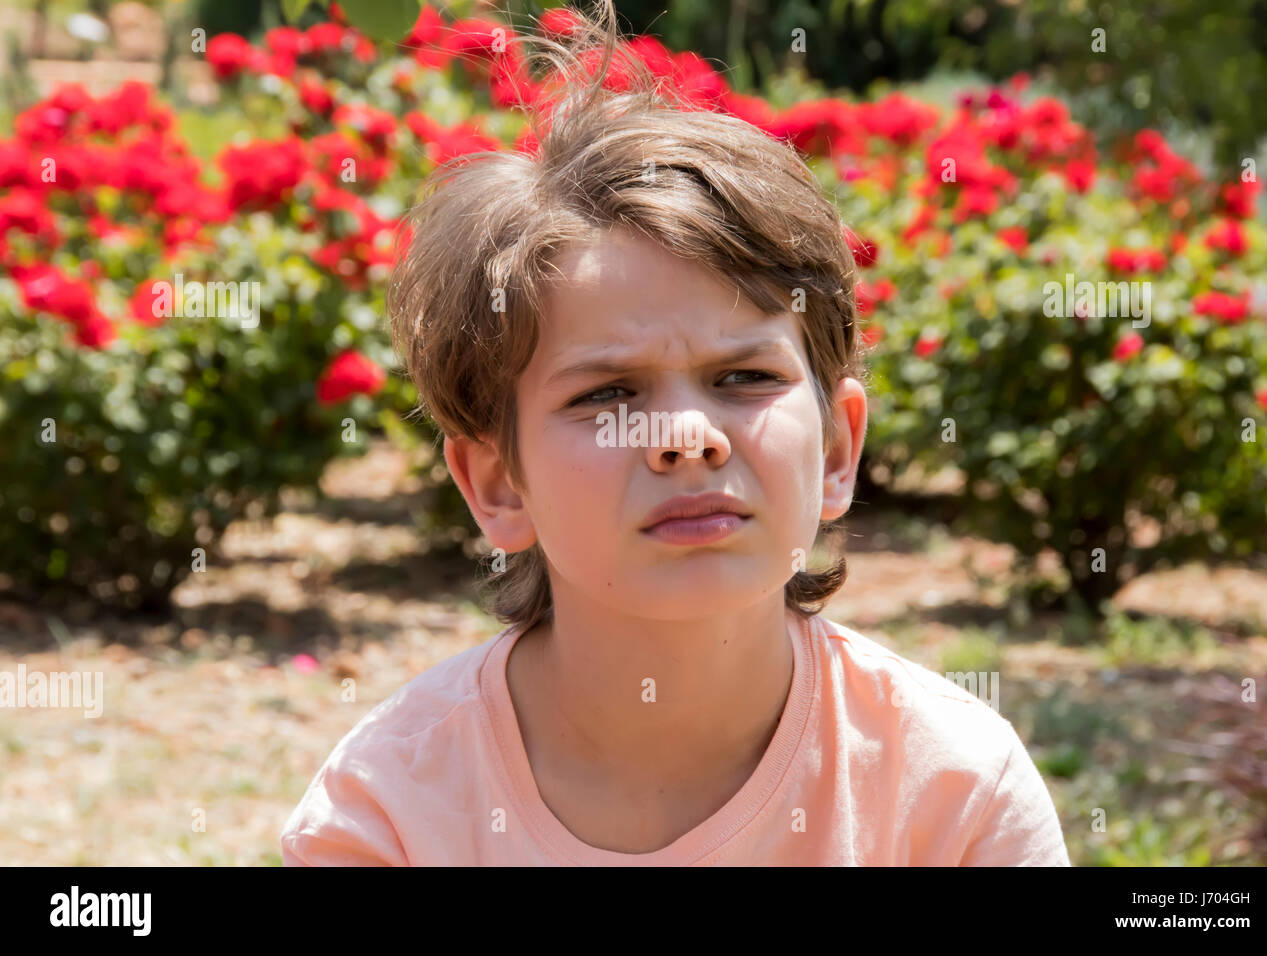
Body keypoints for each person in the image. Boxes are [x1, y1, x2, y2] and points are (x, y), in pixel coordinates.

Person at [279, 0, 1070, 866]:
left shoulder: (953, 797)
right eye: (609, 395)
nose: (687, 436)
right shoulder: (392, 813)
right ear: (499, 485)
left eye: (745, 379)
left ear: (839, 449)